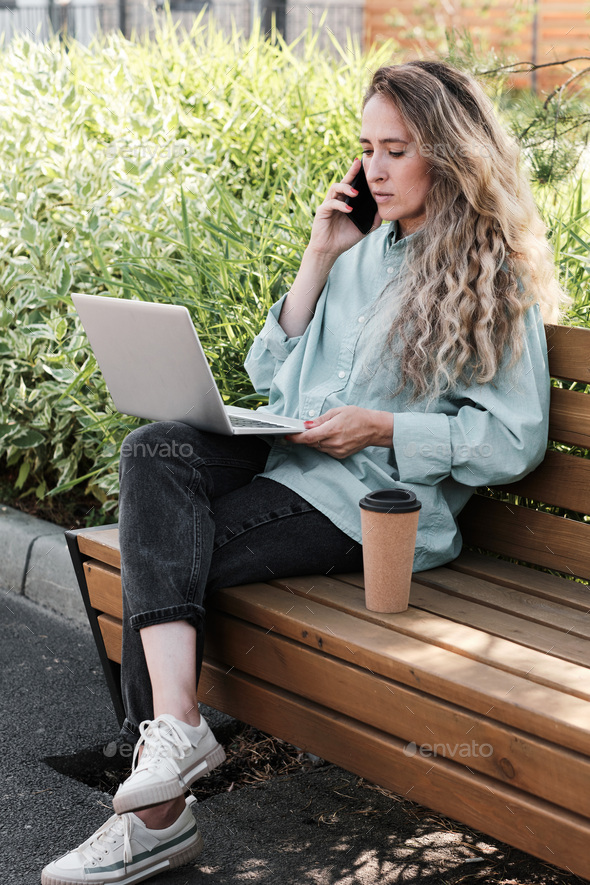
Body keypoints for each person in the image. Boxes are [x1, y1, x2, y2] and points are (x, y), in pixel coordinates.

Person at [42, 60, 564, 884]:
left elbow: (513, 440)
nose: (375, 170)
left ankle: (155, 815)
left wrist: (380, 426)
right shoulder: (359, 254)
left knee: (167, 561)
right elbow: (274, 379)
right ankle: (174, 731)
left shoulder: (492, 280)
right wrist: (320, 255)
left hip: (371, 502)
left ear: (451, 154)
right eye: (367, 149)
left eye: (397, 149)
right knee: (156, 449)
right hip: (292, 454)